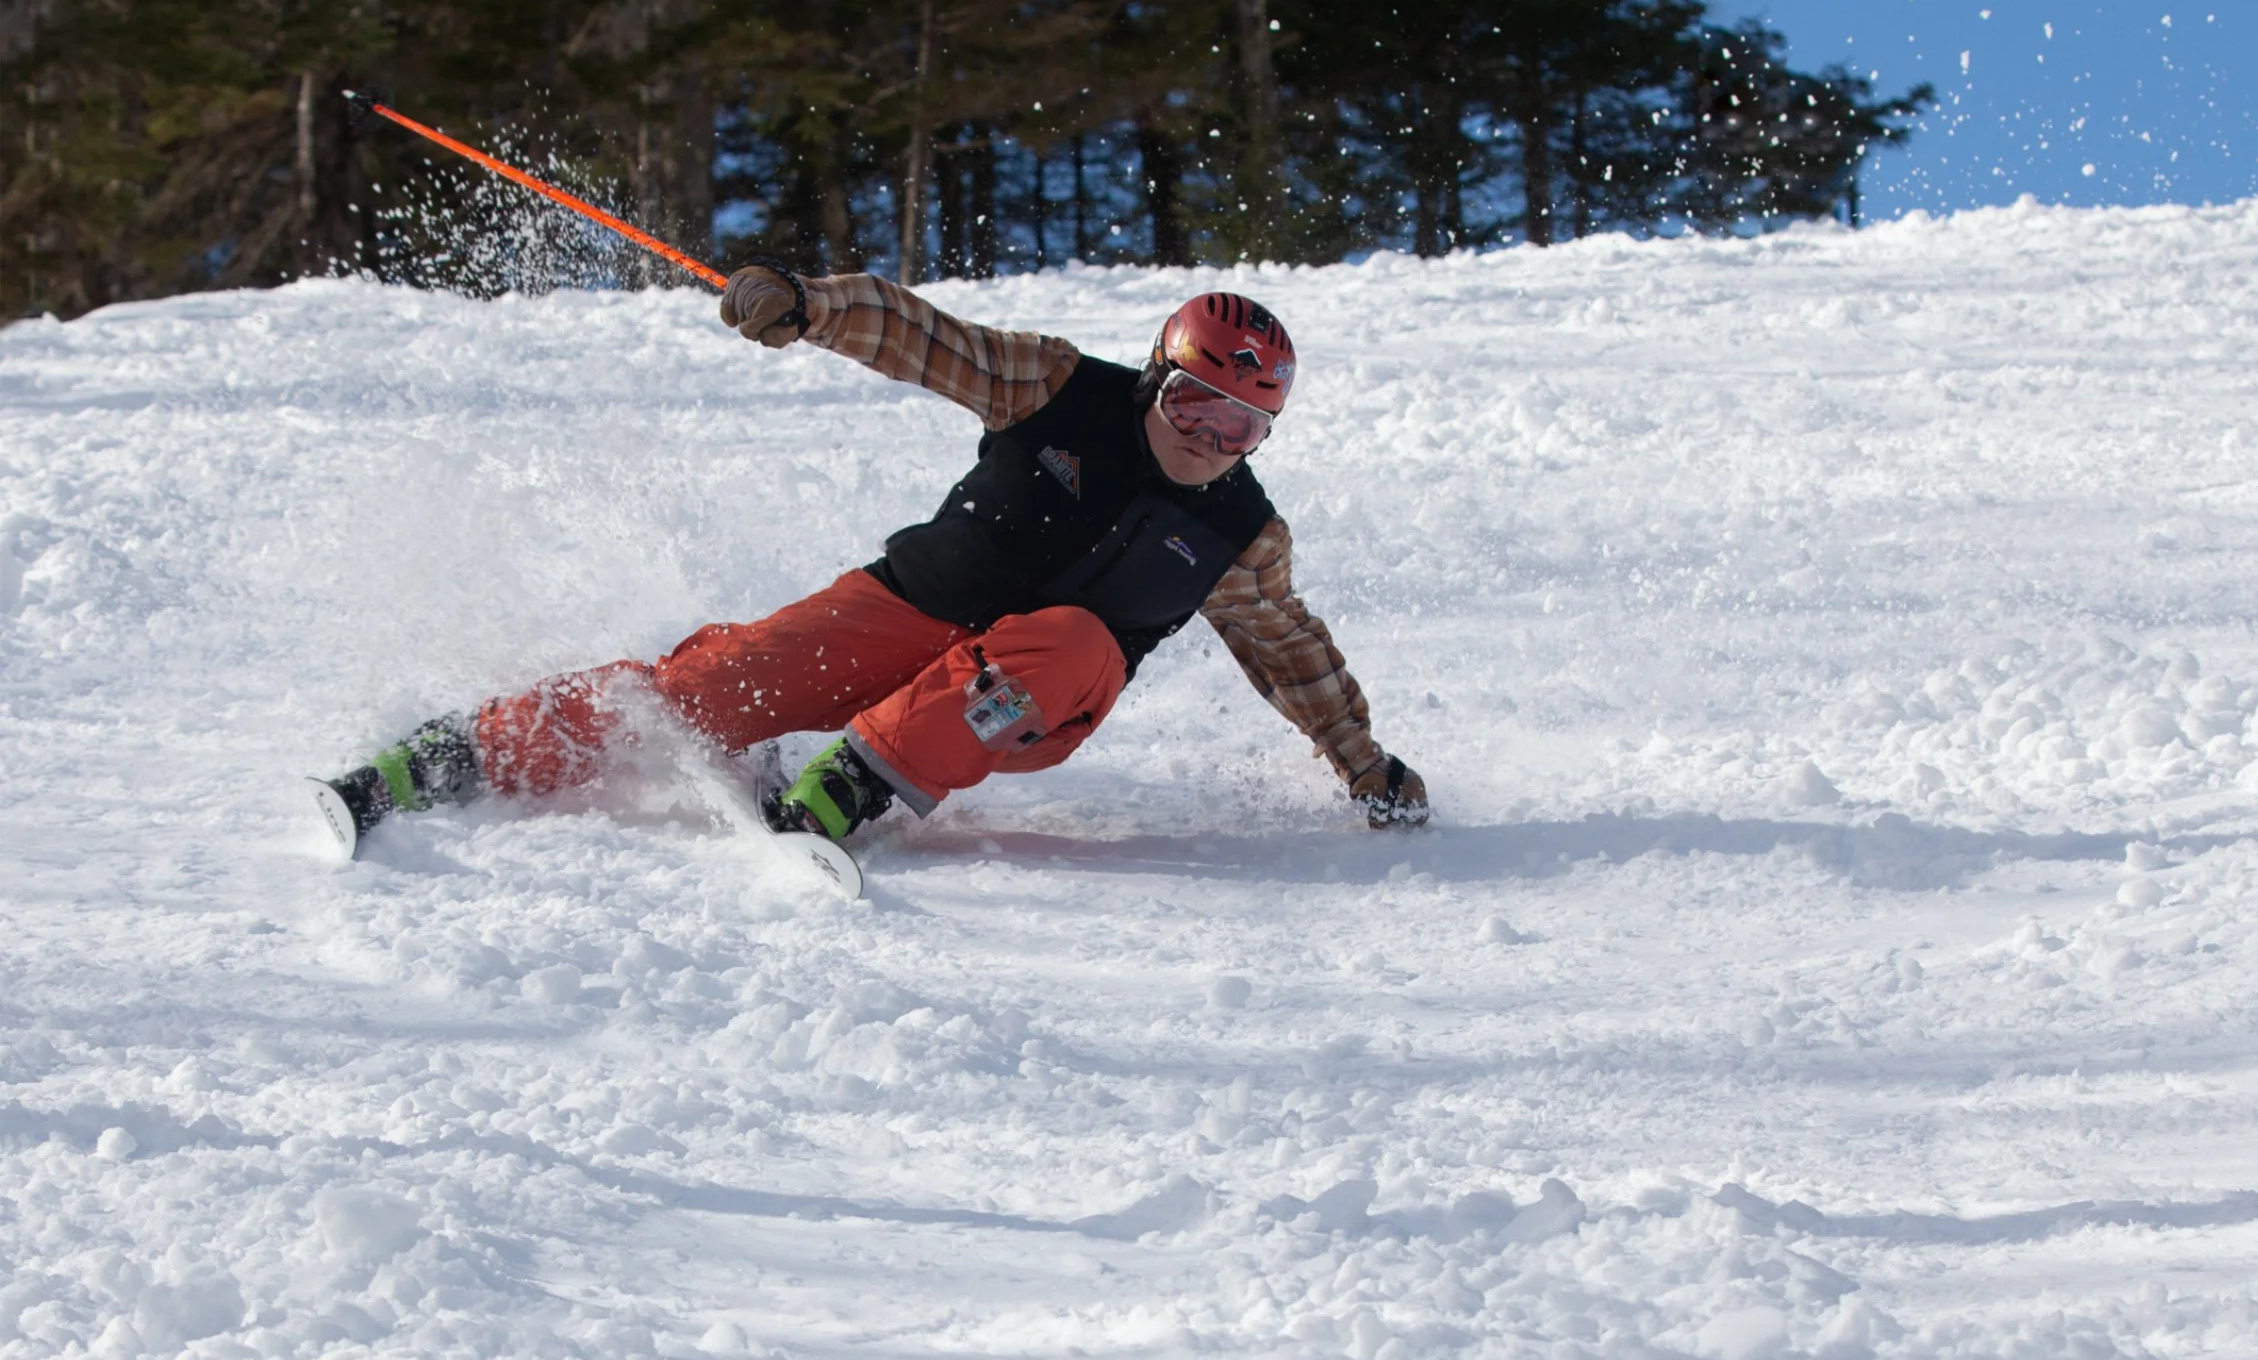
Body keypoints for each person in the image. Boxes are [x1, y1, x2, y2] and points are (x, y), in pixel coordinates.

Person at [317, 266, 1429, 855]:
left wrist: (1365, 766)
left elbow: (1295, 656)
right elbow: (923, 335)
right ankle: (446, 759)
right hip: (905, 608)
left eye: (1242, 427)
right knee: (696, 692)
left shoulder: (1240, 535)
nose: (1209, 437)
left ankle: (843, 792)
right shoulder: (1053, 386)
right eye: (1196, 401)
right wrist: (807, 309)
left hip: (1034, 695)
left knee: (1075, 637)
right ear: (1155, 378)